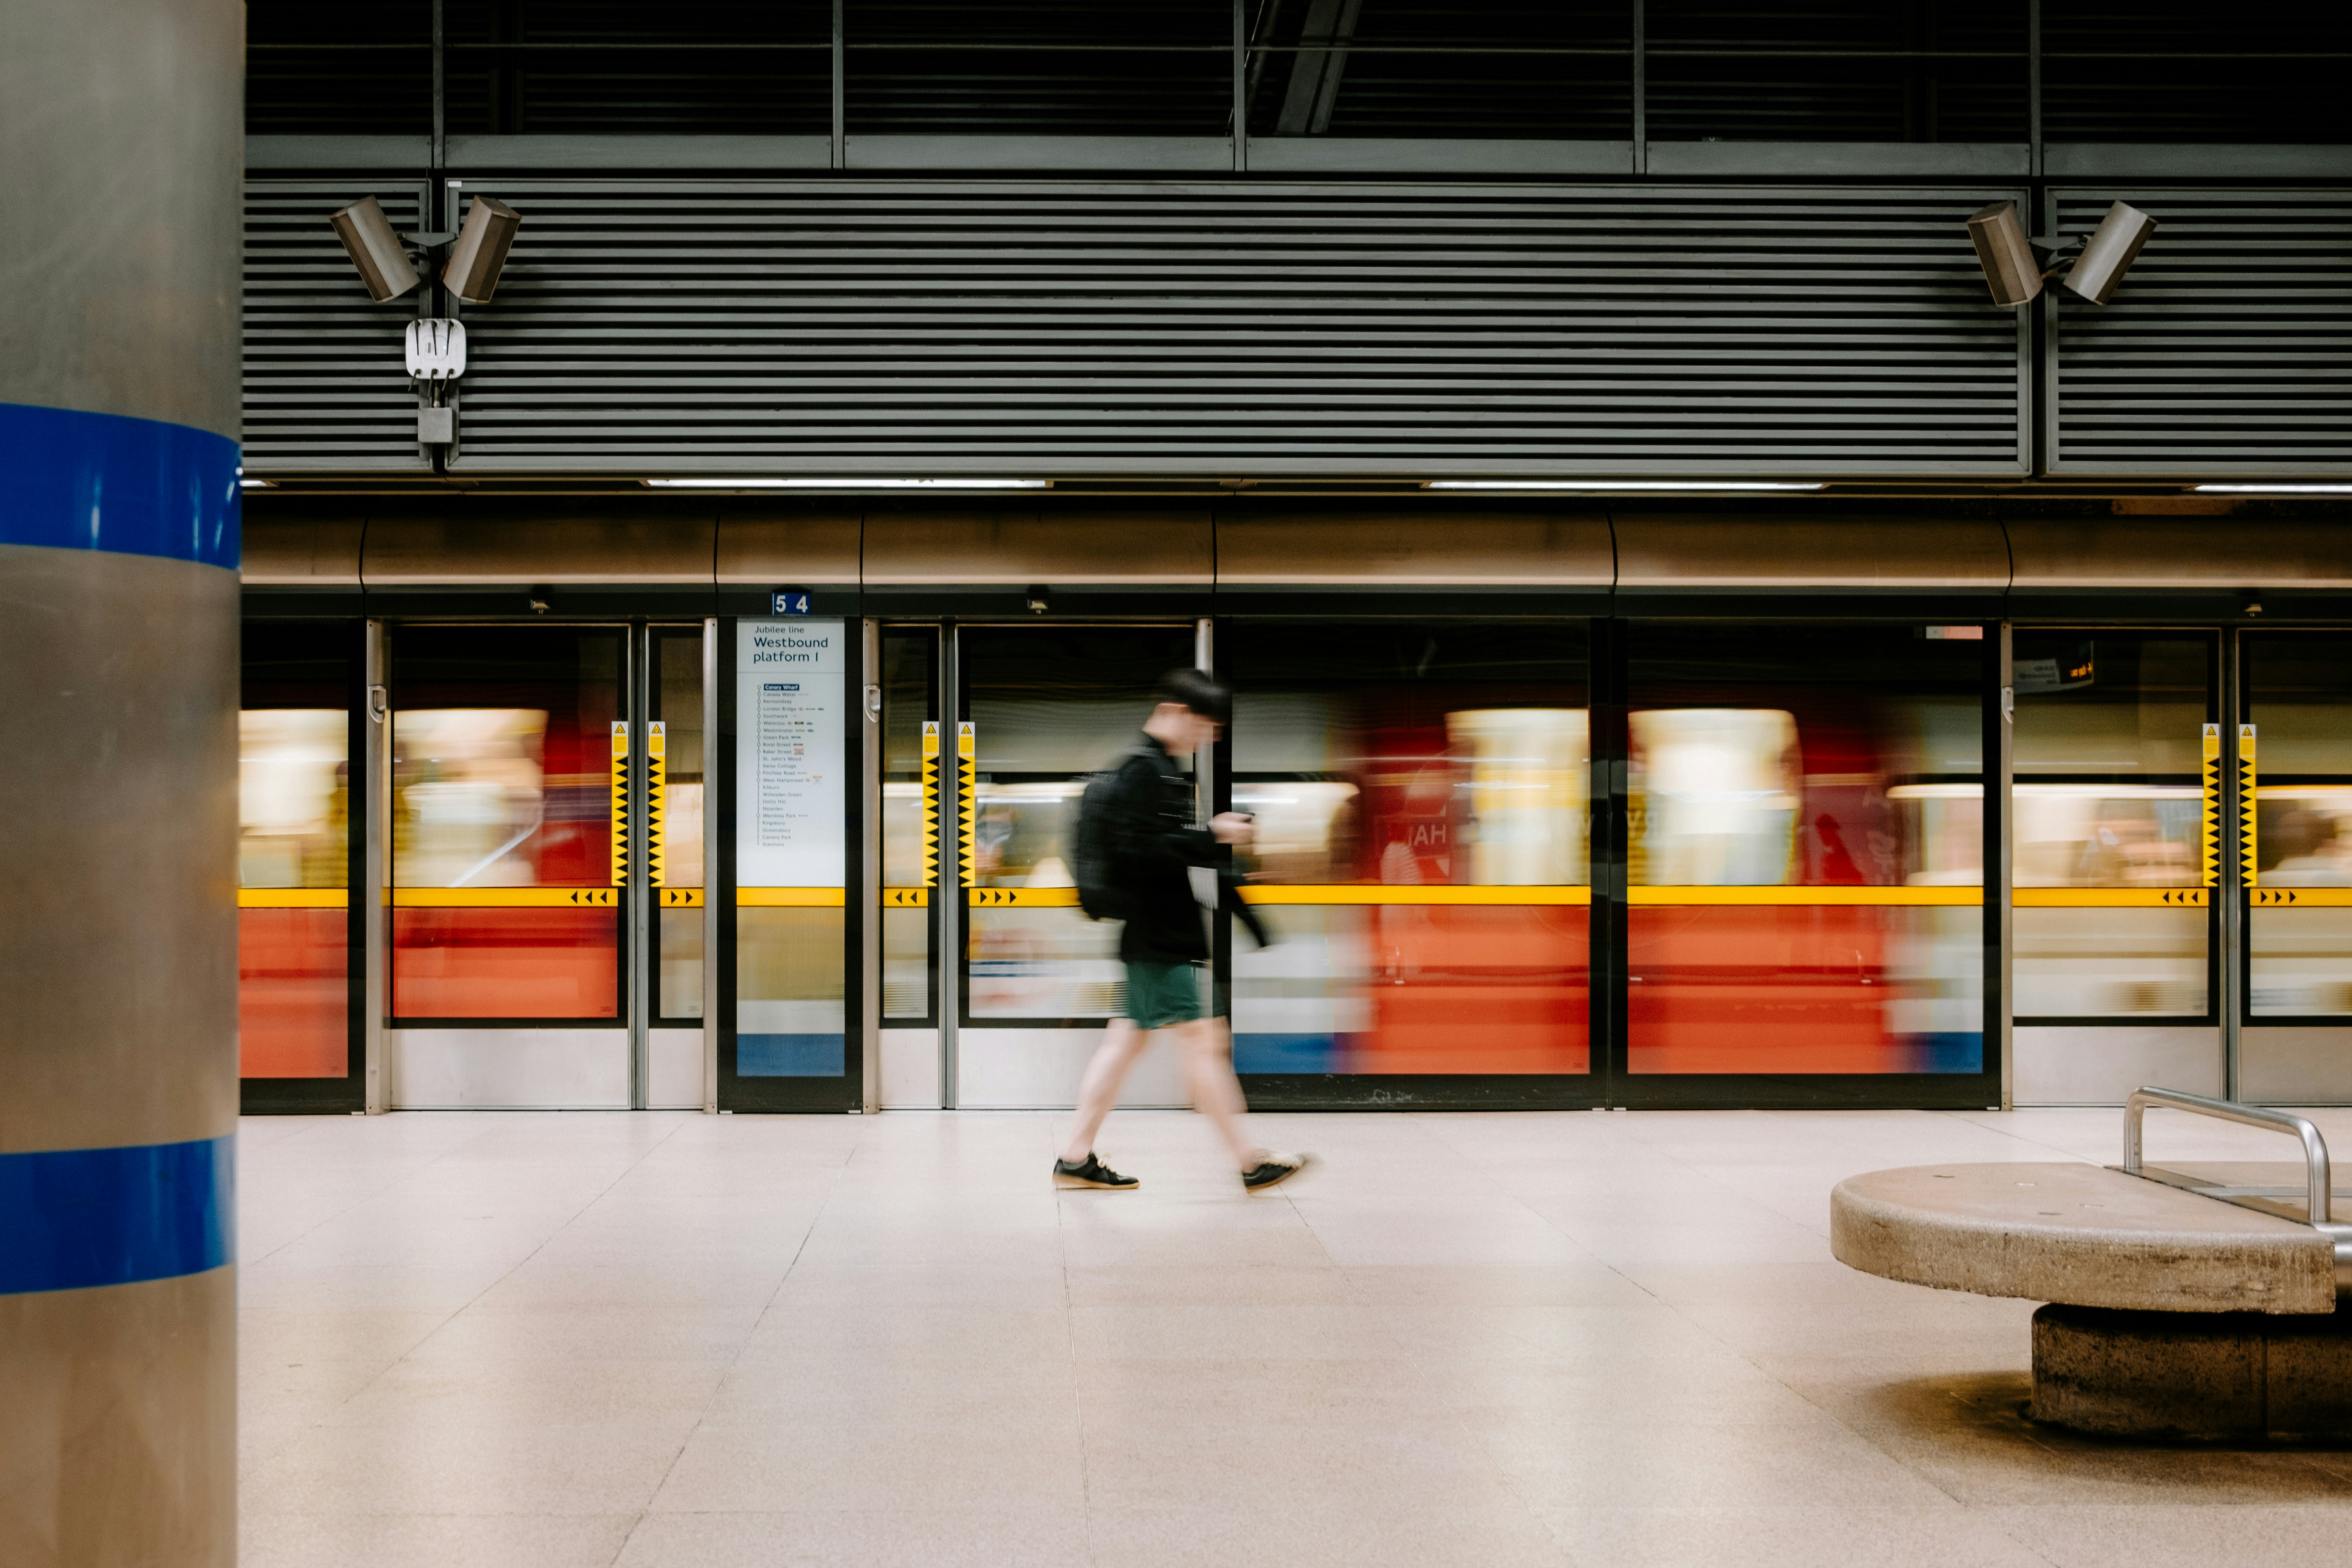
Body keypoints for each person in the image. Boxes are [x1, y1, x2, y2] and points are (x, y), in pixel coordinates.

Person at [1052, 668, 1308, 1194]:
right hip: (1159, 939)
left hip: (1157, 937)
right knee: (1200, 1045)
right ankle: (1249, 1161)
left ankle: (1076, 1156)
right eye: (1205, 726)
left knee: (1129, 1043)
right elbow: (1141, 854)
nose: (1208, 737)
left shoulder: (1161, 770)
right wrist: (1211, 834)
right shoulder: (1143, 772)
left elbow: (1168, 851)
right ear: (1176, 711)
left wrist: (1246, 910)